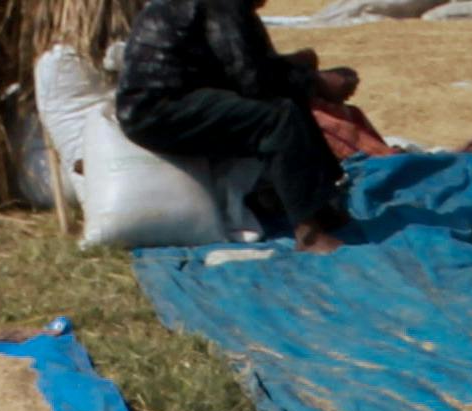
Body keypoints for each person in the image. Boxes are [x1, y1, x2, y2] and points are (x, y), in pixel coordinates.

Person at [112, 0, 353, 250]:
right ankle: (309, 233)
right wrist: (316, 82)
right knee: (279, 118)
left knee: (288, 100)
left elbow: (243, 65)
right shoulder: (224, 5)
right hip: (157, 111)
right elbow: (251, 80)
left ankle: (322, 204)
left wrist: (298, 68)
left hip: (170, 100)